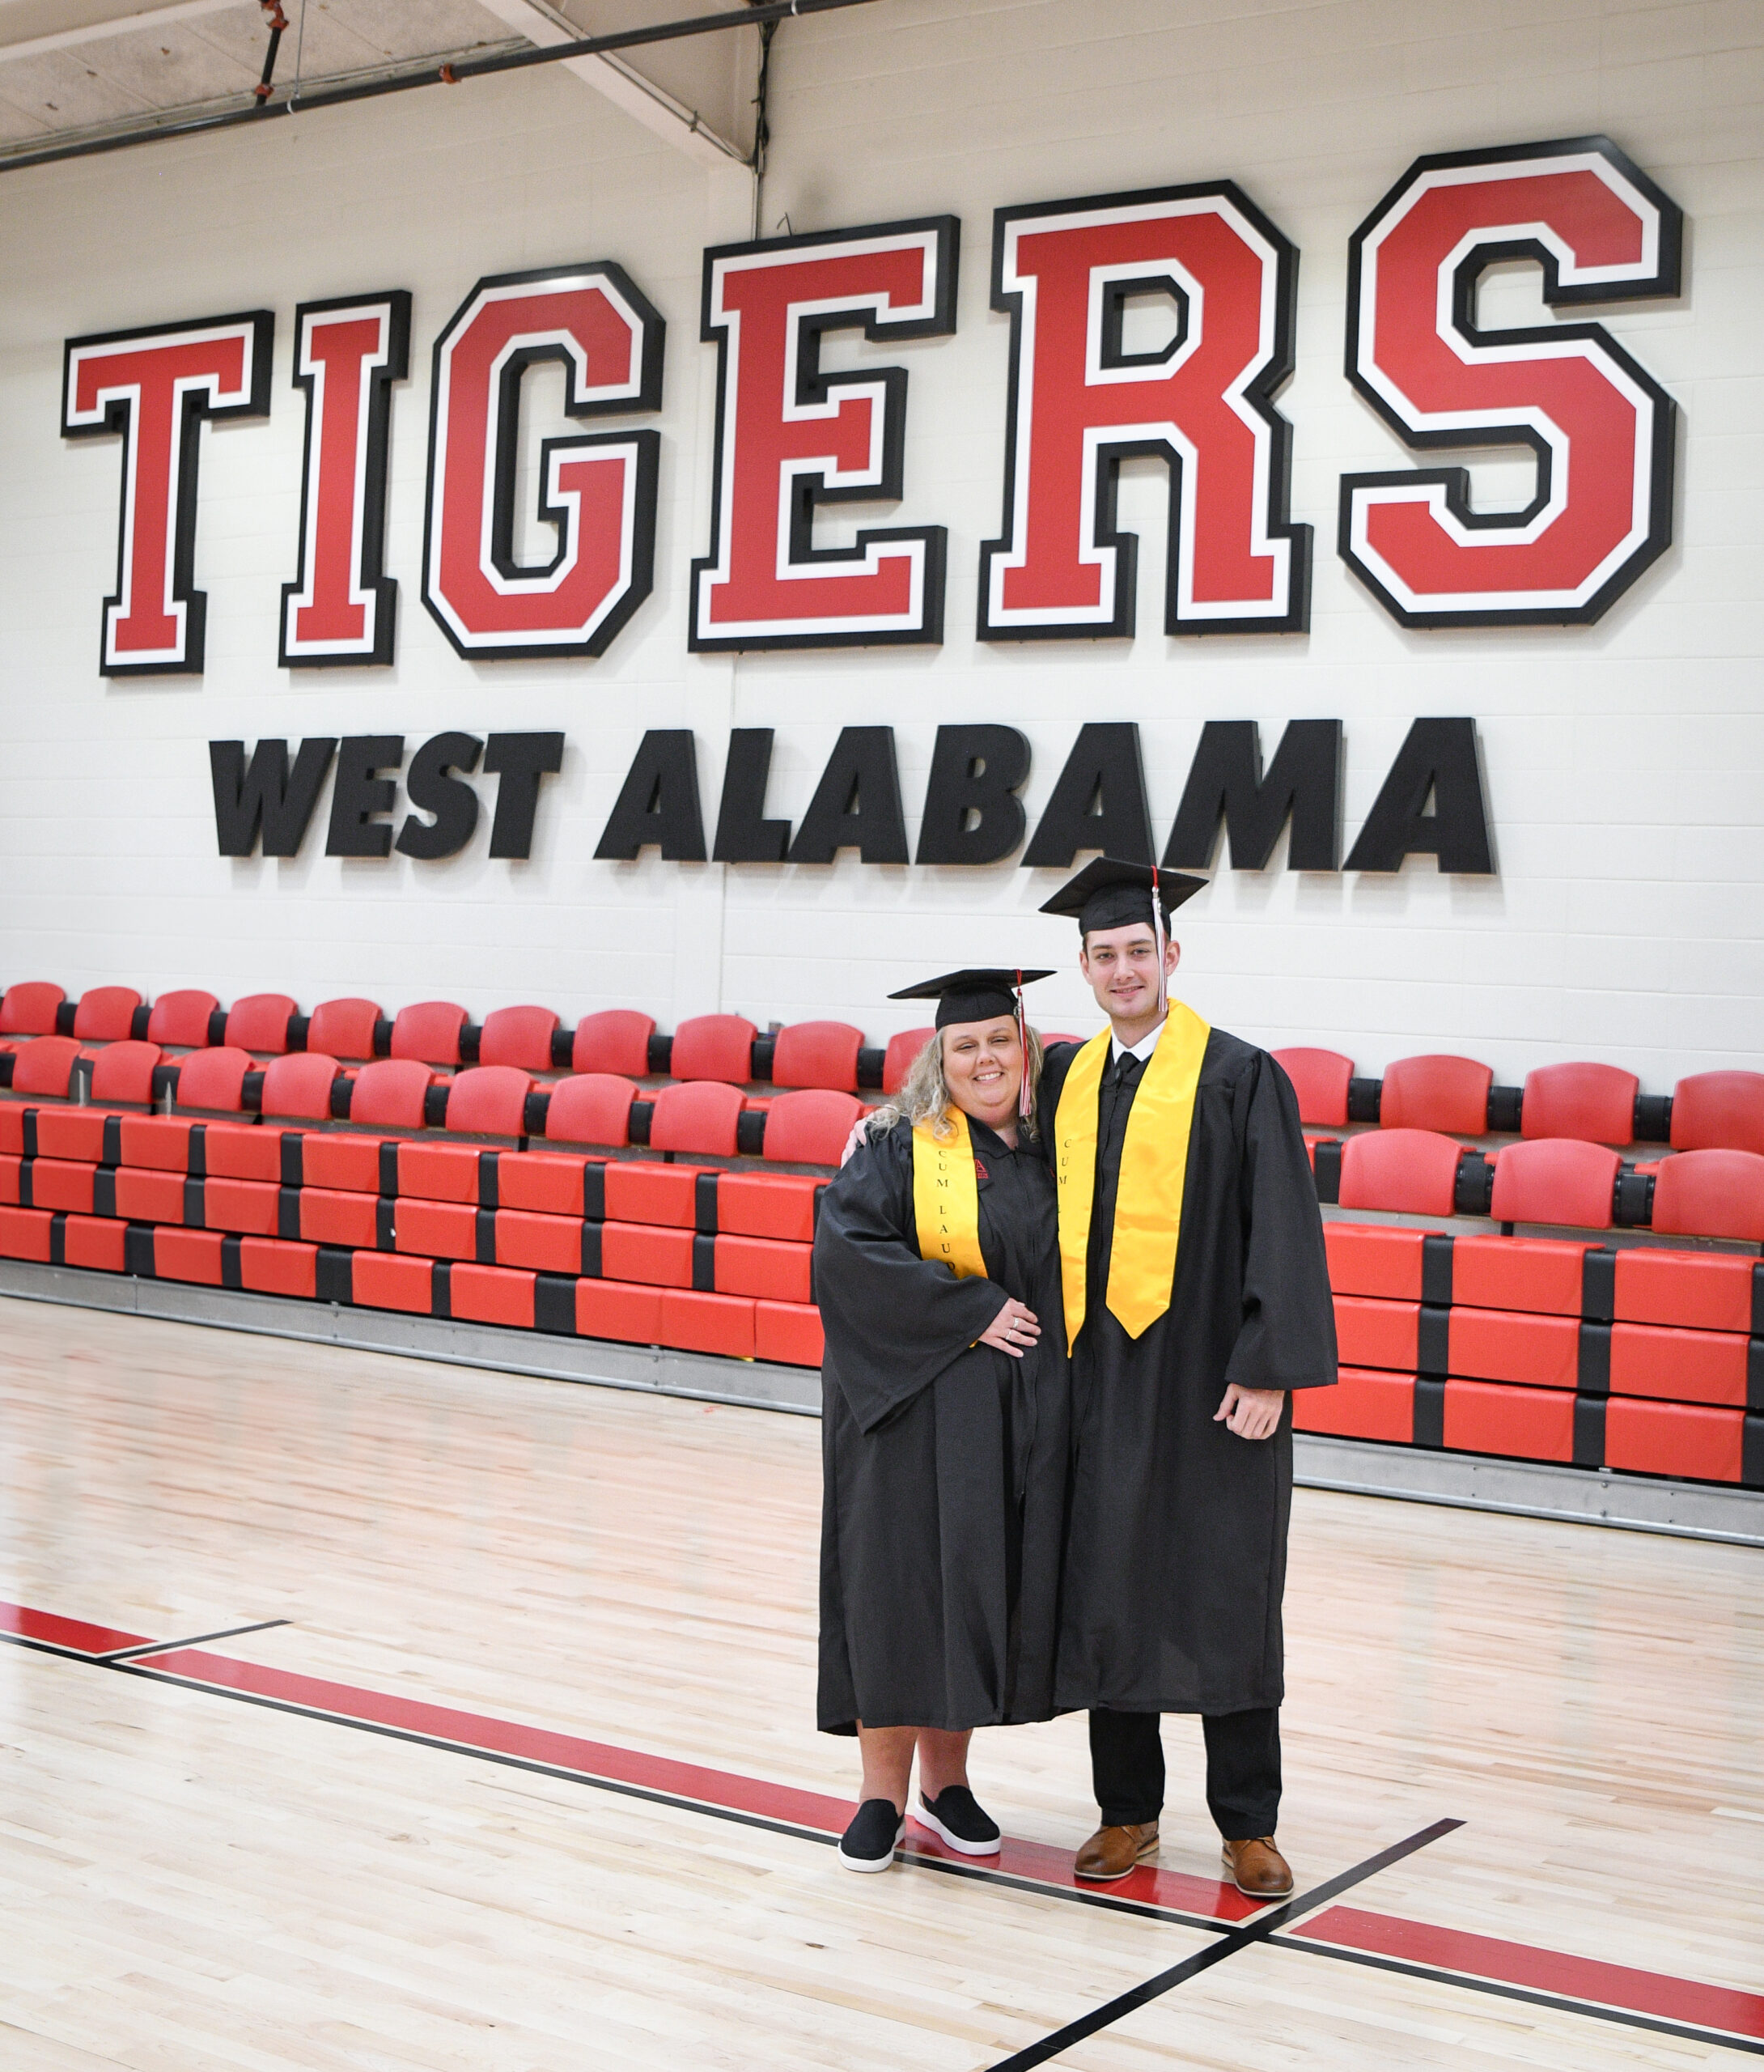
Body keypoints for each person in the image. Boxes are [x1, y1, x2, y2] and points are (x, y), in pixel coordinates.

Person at [1035, 858, 1338, 1897]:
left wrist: (1268, 1366)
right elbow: (975, 1150)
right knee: (1108, 1584)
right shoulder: (1065, 1079)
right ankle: (1127, 1814)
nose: (1123, 970)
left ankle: (1246, 1823)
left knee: (1224, 1591)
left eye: (1138, 952)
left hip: (1213, 1385)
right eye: (1103, 955)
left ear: (1171, 955)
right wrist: (881, 1135)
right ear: (1082, 965)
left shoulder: (1240, 1074)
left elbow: (1285, 1231)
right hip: (1098, 1381)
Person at [815, 968, 1071, 1874]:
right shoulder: (893, 1143)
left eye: (1000, 1039)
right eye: (965, 1044)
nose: (985, 1057)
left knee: (969, 1590)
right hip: (897, 1410)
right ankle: (877, 1797)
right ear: (939, 1056)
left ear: (1026, 1045)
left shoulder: (1053, 1145)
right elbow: (845, 1253)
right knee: (893, 1594)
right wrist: (965, 1311)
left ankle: (944, 1786)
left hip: (1002, 1420)